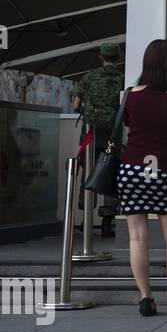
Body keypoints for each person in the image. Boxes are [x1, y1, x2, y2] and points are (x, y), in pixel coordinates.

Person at [117, 39, 167, 317]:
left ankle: (145, 298)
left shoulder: (129, 95)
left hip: (131, 170)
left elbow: (130, 131)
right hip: (163, 169)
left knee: (137, 237)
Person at [71, 41, 123, 238]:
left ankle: (86, 221)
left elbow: (76, 105)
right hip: (112, 133)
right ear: (119, 58)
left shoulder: (88, 78)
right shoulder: (121, 79)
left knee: (89, 173)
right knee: (110, 172)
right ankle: (107, 223)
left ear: (100, 57)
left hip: (90, 132)